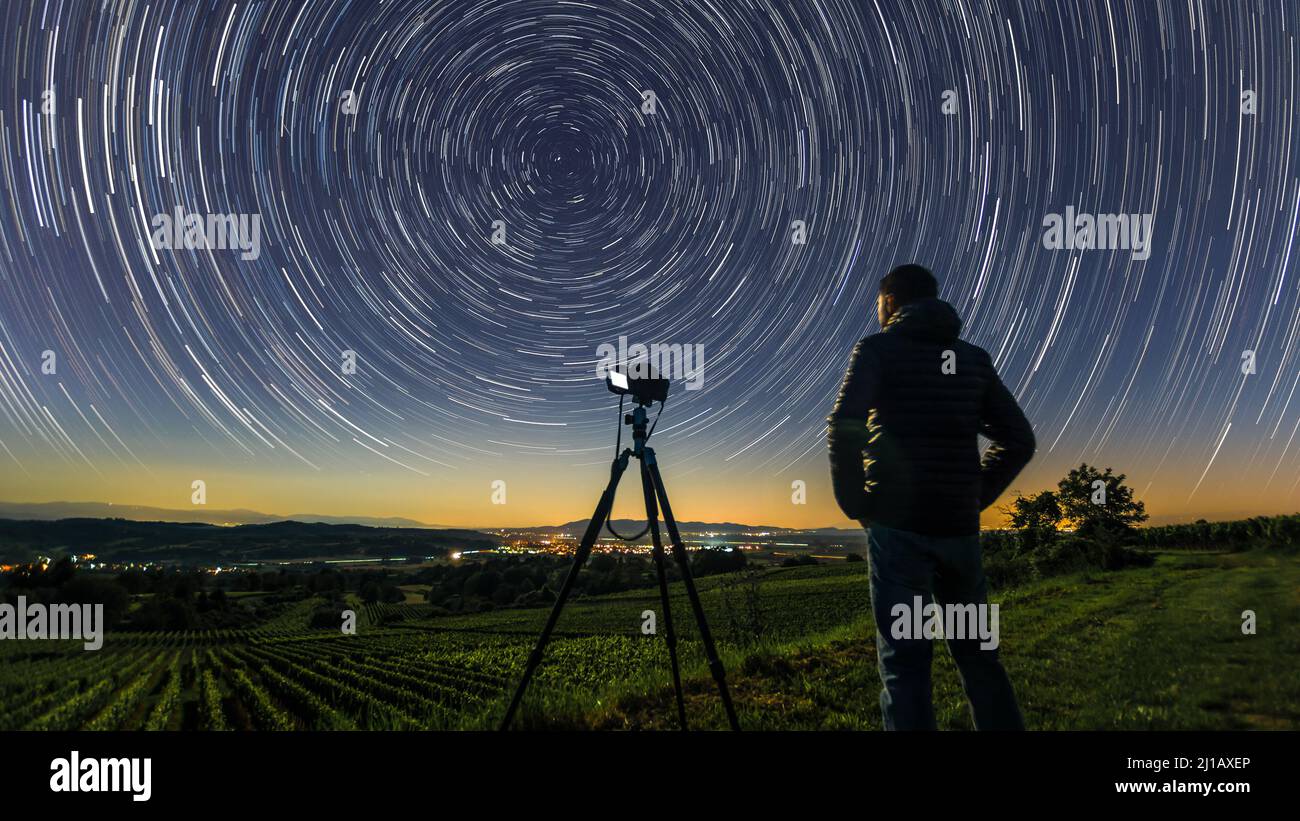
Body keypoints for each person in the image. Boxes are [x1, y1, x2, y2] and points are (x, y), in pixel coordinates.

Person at [826, 263, 1035, 730]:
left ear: (891, 302)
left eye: (879, 305)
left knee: (905, 665)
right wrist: (971, 497)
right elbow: (1018, 439)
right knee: (979, 656)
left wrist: (858, 505)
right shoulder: (973, 359)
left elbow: (843, 426)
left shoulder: (877, 349)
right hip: (958, 531)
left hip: (899, 529)